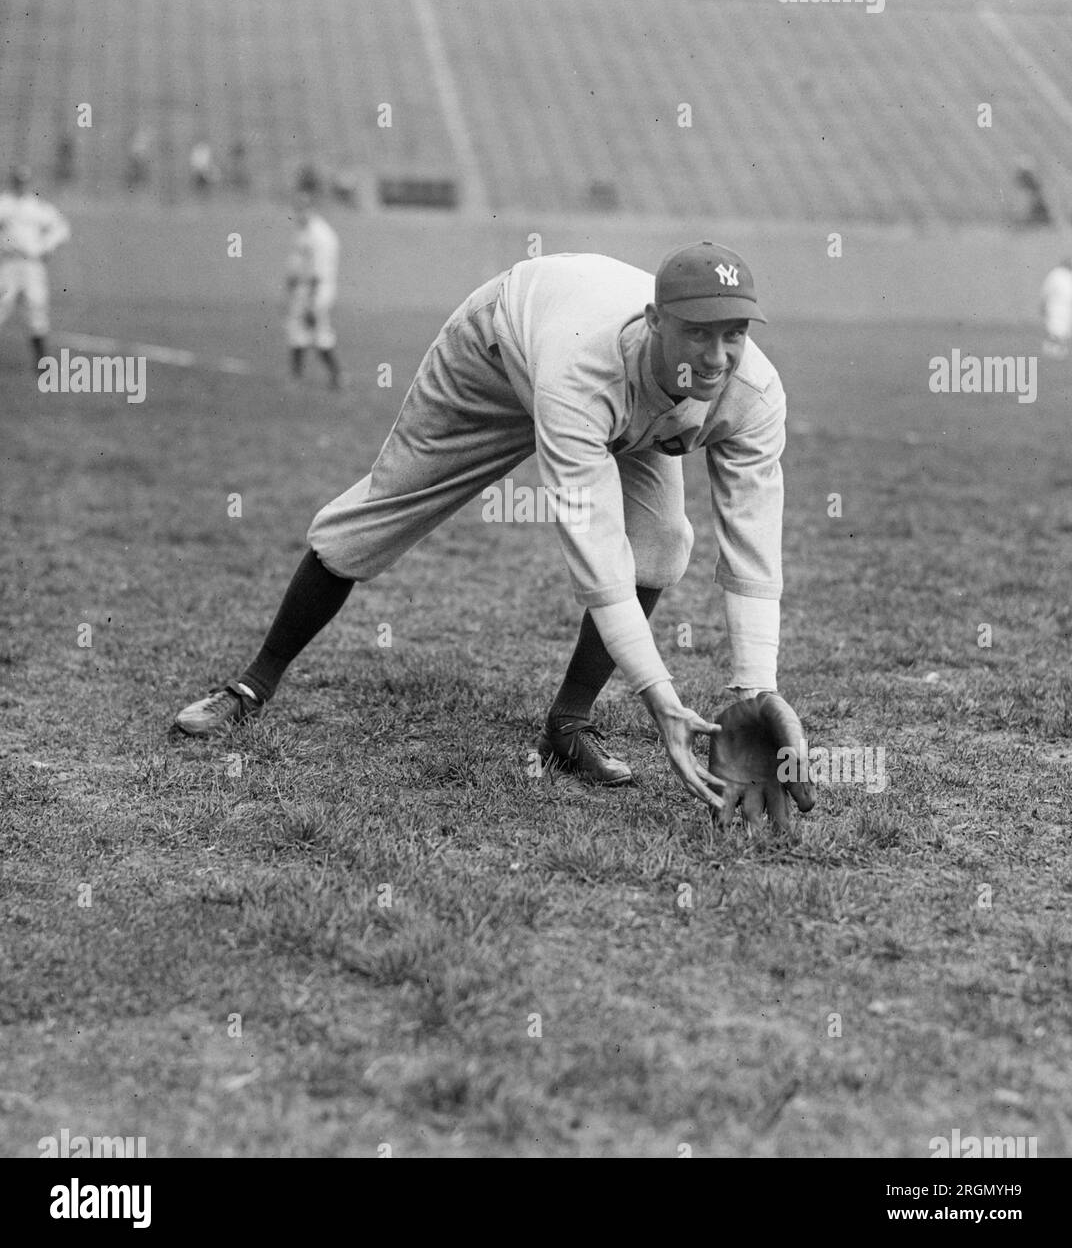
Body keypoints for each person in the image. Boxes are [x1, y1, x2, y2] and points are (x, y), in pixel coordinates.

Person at [173, 242, 803, 821]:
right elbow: (596, 554)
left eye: (735, 333)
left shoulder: (752, 391)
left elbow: (751, 543)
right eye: (698, 331)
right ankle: (253, 684)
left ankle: (568, 726)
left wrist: (756, 687)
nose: (717, 356)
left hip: (631, 399)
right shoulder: (582, 368)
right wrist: (659, 695)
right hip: (500, 352)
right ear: (656, 319)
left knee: (661, 545)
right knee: (377, 518)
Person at [0, 166, 71, 368]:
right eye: (18, 181)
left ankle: (41, 362)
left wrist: (45, 247)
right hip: (9, 264)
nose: (21, 185)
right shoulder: (4, 204)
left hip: (32, 265)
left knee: (36, 307)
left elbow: (62, 228)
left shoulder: (37, 207)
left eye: (24, 182)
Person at [284, 189, 342, 388]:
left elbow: (319, 271)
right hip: (305, 289)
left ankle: (335, 376)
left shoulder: (321, 235)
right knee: (299, 330)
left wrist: (310, 300)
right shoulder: (303, 230)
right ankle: (297, 376)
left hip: (316, 290)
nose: (298, 213)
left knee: (318, 331)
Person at [1040, 257, 1072, 358]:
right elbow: (1046, 290)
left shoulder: (1068, 275)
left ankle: (1058, 351)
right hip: (1056, 307)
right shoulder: (1056, 274)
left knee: (1064, 331)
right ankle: (1051, 351)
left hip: (1067, 308)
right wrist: (1044, 303)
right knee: (1055, 329)